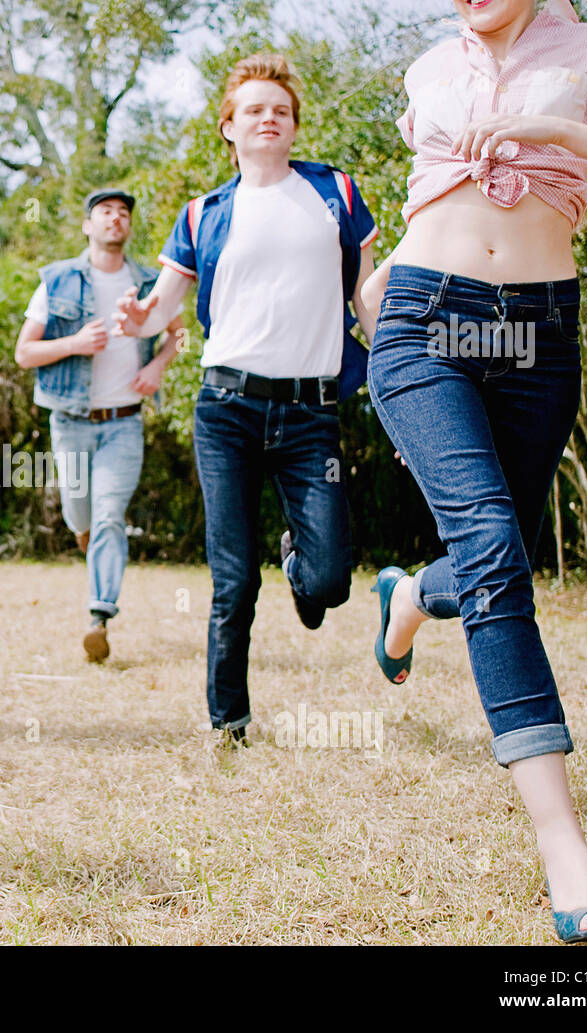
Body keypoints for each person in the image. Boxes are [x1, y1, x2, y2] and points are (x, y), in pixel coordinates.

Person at [360, 0, 587, 942]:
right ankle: (565, 849)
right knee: (497, 547)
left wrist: (556, 127)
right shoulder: (429, 66)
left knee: (493, 555)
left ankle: (414, 595)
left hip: (539, 332)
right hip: (425, 322)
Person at [115, 54, 378, 740]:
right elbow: (156, 308)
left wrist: (396, 356)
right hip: (226, 411)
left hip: (310, 414)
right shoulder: (204, 213)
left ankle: (301, 559)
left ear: (294, 127)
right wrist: (133, 320)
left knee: (328, 584)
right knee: (234, 580)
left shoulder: (337, 195)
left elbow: (366, 298)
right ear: (228, 127)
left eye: (281, 111)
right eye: (254, 109)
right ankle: (227, 721)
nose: (269, 118)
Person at [15, 189, 184, 661]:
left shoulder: (151, 283)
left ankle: (99, 617)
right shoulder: (57, 281)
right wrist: (72, 343)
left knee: (111, 515)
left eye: (123, 213)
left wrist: (157, 368)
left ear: (129, 226)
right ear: (88, 225)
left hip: (123, 424)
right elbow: (24, 352)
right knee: (81, 517)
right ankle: (90, 547)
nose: (115, 219)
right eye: (105, 212)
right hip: (69, 423)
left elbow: (181, 333)